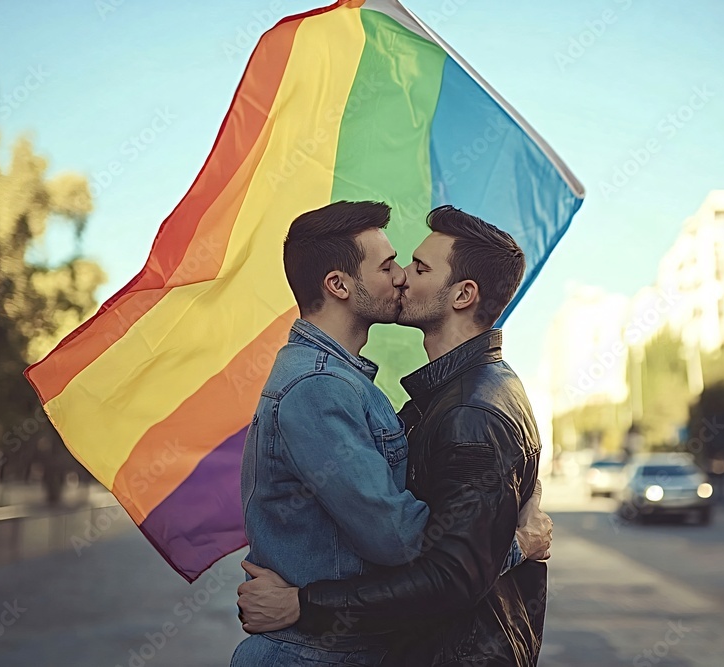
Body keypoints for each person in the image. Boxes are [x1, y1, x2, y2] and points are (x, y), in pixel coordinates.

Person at [230, 201, 550, 667]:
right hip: (312, 654)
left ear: (462, 295)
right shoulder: (320, 386)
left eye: (416, 267)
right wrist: (515, 543)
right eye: (390, 265)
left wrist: (303, 602)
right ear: (338, 285)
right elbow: (404, 540)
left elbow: (445, 564)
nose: (401, 276)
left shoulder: (465, 404)